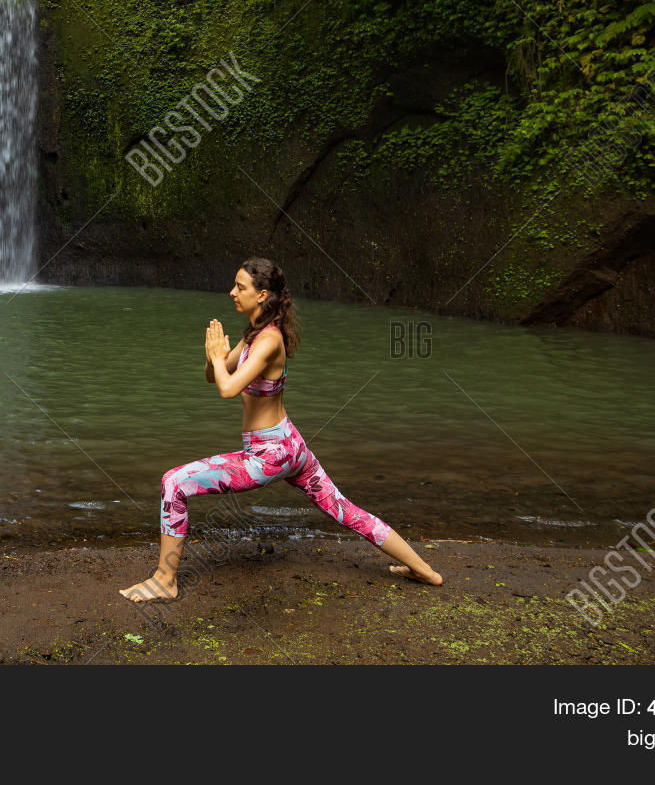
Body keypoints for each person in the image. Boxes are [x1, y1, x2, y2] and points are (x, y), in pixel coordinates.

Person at [120, 256, 442, 602]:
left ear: (261, 295)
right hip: (290, 445)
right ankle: (425, 571)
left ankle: (165, 581)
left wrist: (218, 360)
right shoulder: (255, 334)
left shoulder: (269, 341)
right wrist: (213, 356)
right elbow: (214, 376)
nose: (232, 292)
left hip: (268, 455)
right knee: (342, 507)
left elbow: (228, 390)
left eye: (240, 287)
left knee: (174, 483)